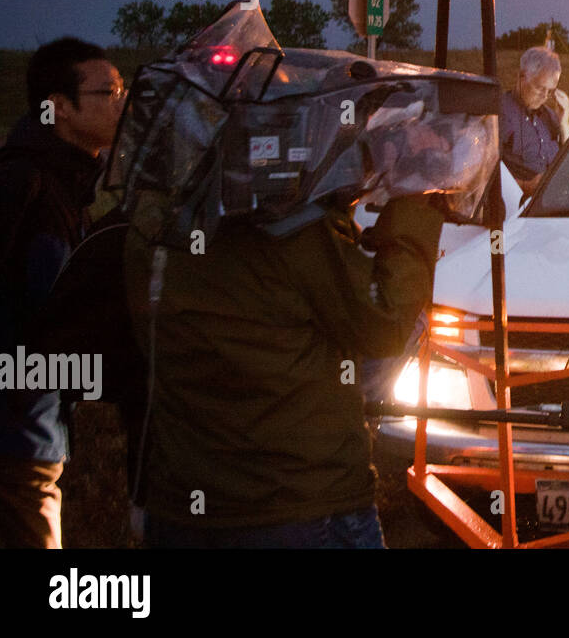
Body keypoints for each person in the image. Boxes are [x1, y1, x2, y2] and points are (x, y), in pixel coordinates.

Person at [122, 189, 446, 548]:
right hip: (298, 505)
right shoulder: (294, 231)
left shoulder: (155, 222)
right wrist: (413, 208)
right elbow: (387, 319)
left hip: (180, 503)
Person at [0, 38, 125, 548]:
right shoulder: (32, 188)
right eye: (109, 92)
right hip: (17, 439)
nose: (123, 102)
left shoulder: (56, 182)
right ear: (59, 108)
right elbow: (58, 319)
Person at [499, 46, 569, 195]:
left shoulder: (550, 116)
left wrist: (564, 123)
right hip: (520, 206)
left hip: (555, 200)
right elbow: (484, 171)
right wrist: (525, 185)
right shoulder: (500, 113)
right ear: (521, 76)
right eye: (539, 87)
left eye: (550, 91)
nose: (544, 96)